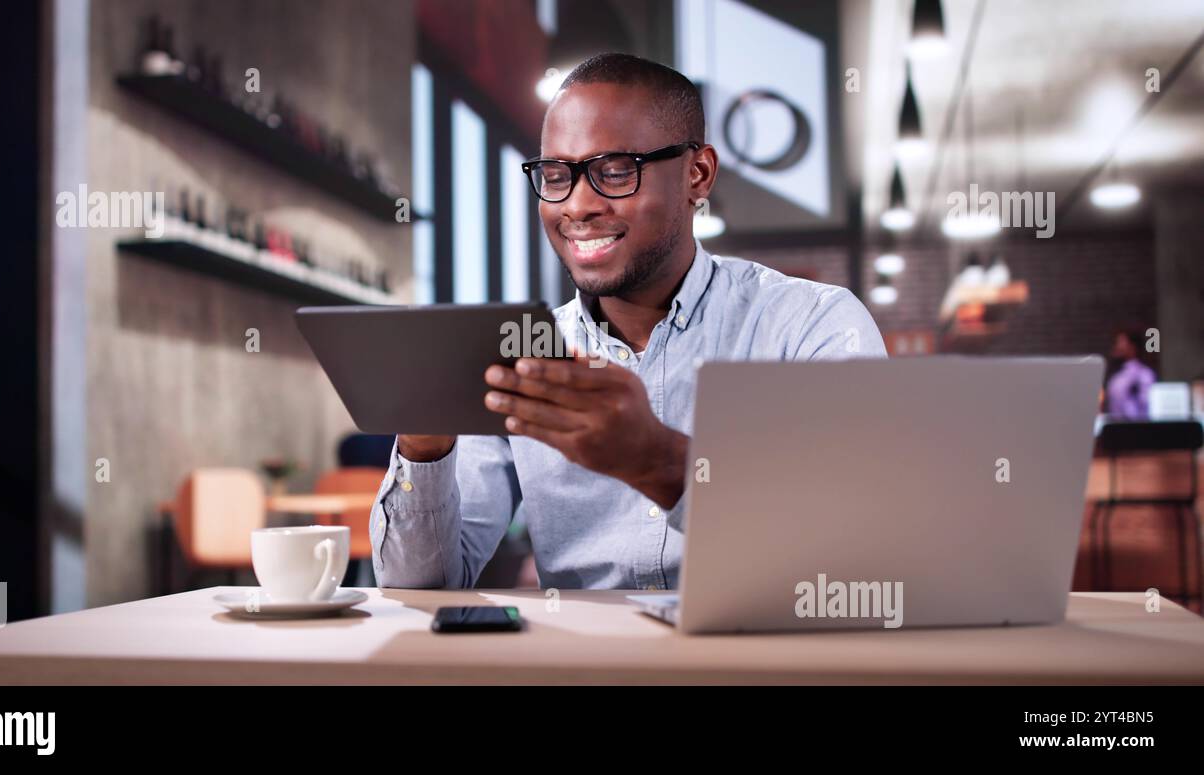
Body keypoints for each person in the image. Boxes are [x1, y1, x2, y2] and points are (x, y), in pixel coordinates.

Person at [371, 53, 886, 590]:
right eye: (555, 175)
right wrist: (424, 448)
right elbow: (419, 589)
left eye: (615, 171)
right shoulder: (520, 351)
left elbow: (855, 551)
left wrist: (655, 460)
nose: (577, 205)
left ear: (698, 174)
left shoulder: (811, 326)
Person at [1105, 330, 1156, 420]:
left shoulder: (1143, 374)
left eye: (1121, 342)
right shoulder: (1117, 375)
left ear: (1132, 347)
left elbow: (1146, 405)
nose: (1117, 346)